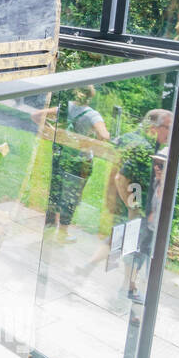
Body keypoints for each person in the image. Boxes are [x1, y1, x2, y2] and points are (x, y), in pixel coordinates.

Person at [111, 108, 173, 302]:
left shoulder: (142, 143)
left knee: (133, 250)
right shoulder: (144, 148)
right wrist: (133, 207)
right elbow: (121, 178)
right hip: (134, 213)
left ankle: (128, 287)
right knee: (133, 249)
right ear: (155, 128)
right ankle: (125, 291)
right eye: (168, 128)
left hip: (132, 211)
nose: (170, 133)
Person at [35, 87, 110, 243]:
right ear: (90, 98)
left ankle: (49, 232)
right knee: (71, 198)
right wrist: (87, 141)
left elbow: (35, 116)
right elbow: (104, 136)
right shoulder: (92, 115)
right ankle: (62, 234)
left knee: (55, 193)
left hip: (62, 157)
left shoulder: (64, 108)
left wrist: (53, 130)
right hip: (81, 162)